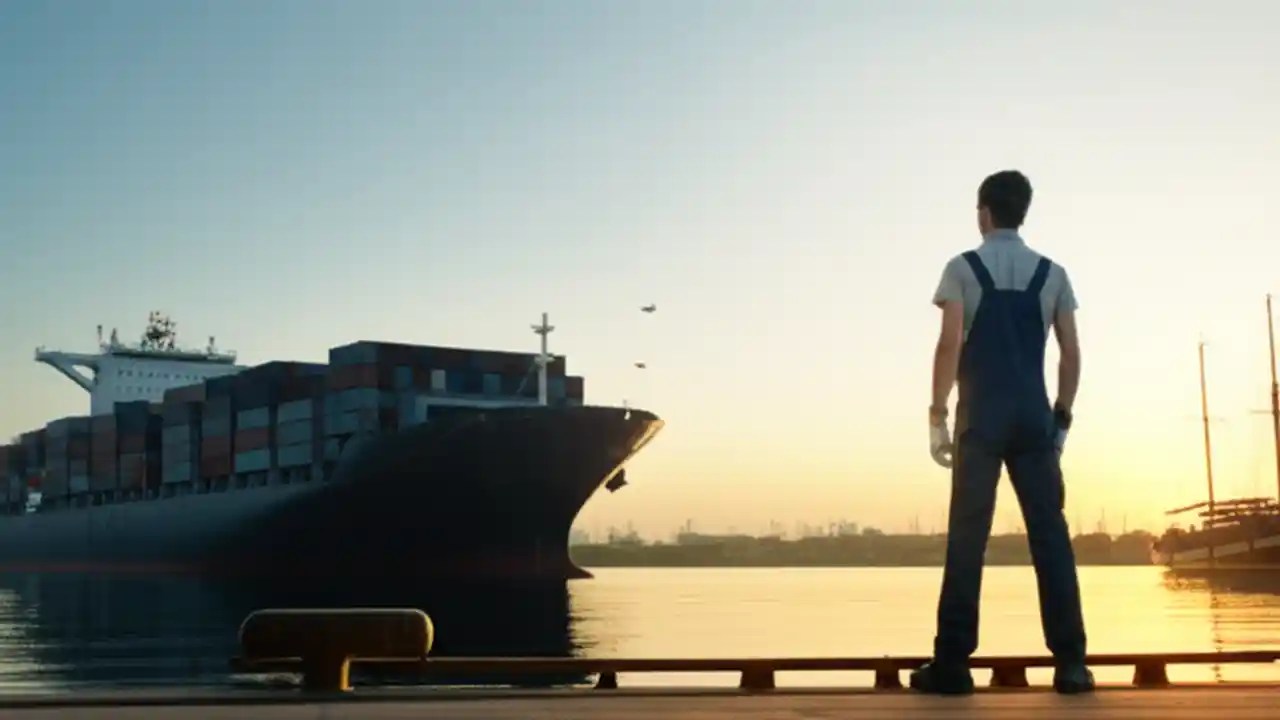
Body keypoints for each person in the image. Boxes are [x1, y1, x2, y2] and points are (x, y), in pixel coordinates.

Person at [911, 170, 1094, 695]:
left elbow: (949, 346)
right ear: (1022, 212)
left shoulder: (962, 269)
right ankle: (1072, 665)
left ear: (983, 213)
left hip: (980, 419)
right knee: (1051, 538)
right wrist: (1061, 418)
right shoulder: (1053, 274)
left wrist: (936, 415)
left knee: (968, 539)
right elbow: (1072, 352)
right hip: (1034, 418)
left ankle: (951, 666)